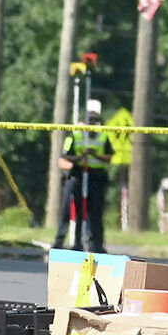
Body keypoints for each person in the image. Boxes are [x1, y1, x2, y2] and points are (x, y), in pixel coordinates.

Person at [54, 98, 114, 250]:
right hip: (79, 176)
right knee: (77, 212)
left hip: (97, 178)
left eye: (95, 121)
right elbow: (64, 157)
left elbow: (109, 157)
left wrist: (95, 155)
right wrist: (81, 157)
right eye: (90, 120)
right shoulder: (76, 135)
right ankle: (75, 243)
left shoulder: (103, 136)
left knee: (96, 213)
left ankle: (96, 245)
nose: (92, 124)